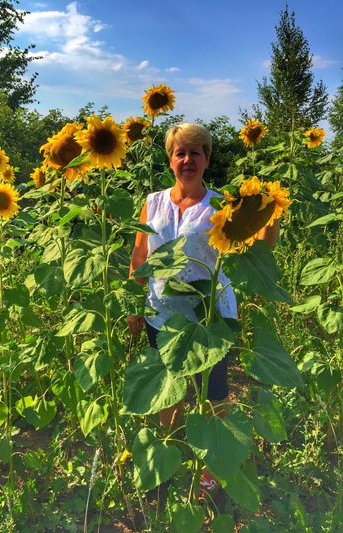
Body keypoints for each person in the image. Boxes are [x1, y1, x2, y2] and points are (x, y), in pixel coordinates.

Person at [127, 123, 279, 495]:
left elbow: (260, 247)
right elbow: (140, 256)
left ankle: (212, 472)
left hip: (209, 315)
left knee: (213, 393)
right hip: (162, 313)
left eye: (196, 152)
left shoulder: (221, 205)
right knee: (168, 389)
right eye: (180, 152)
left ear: (207, 159)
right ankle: (166, 464)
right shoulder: (153, 202)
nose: (188, 160)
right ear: (170, 159)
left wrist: (270, 211)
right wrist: (134, 304)